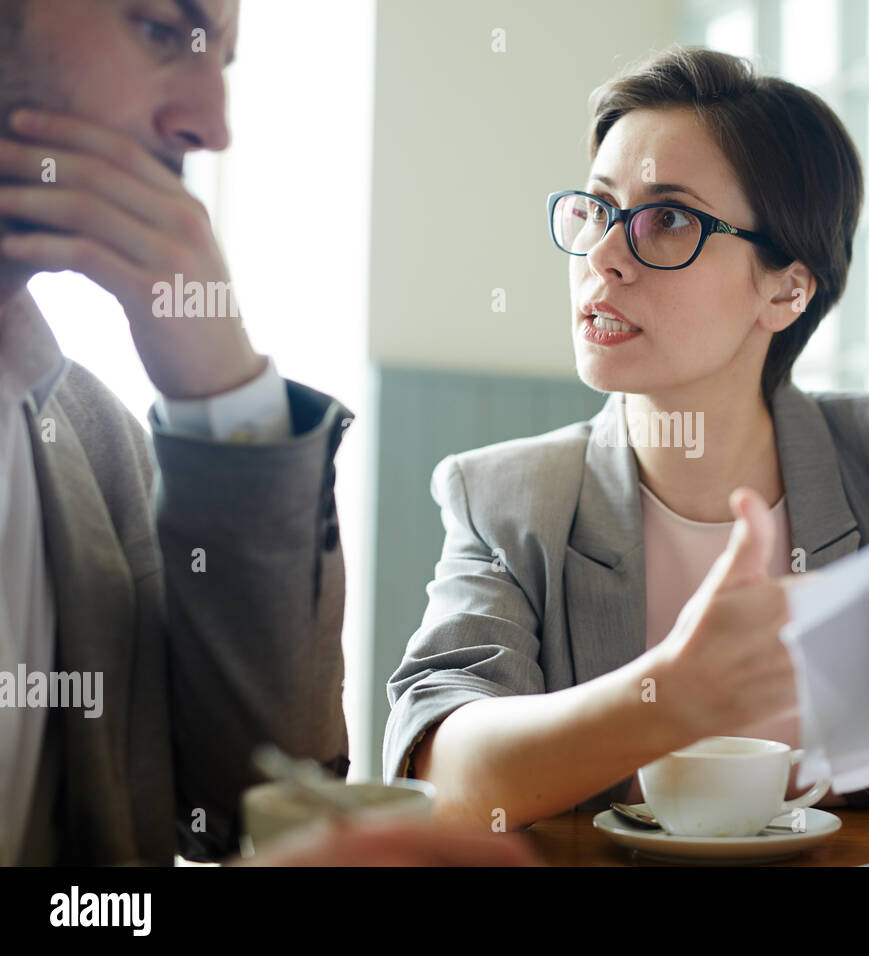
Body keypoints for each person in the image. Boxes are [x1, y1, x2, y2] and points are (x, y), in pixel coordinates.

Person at [385, 47, 869, 837]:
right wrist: (667, 696)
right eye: (597, 208)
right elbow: (441, 766)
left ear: (787, 287)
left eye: (669, 218)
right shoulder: (507, 499)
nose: (604, 257)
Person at [0, 0, 529, 868]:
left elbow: (239, 802)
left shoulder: (92, 446)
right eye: (160, 30)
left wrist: (224, 393)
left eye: (224, 65)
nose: (211, 127)